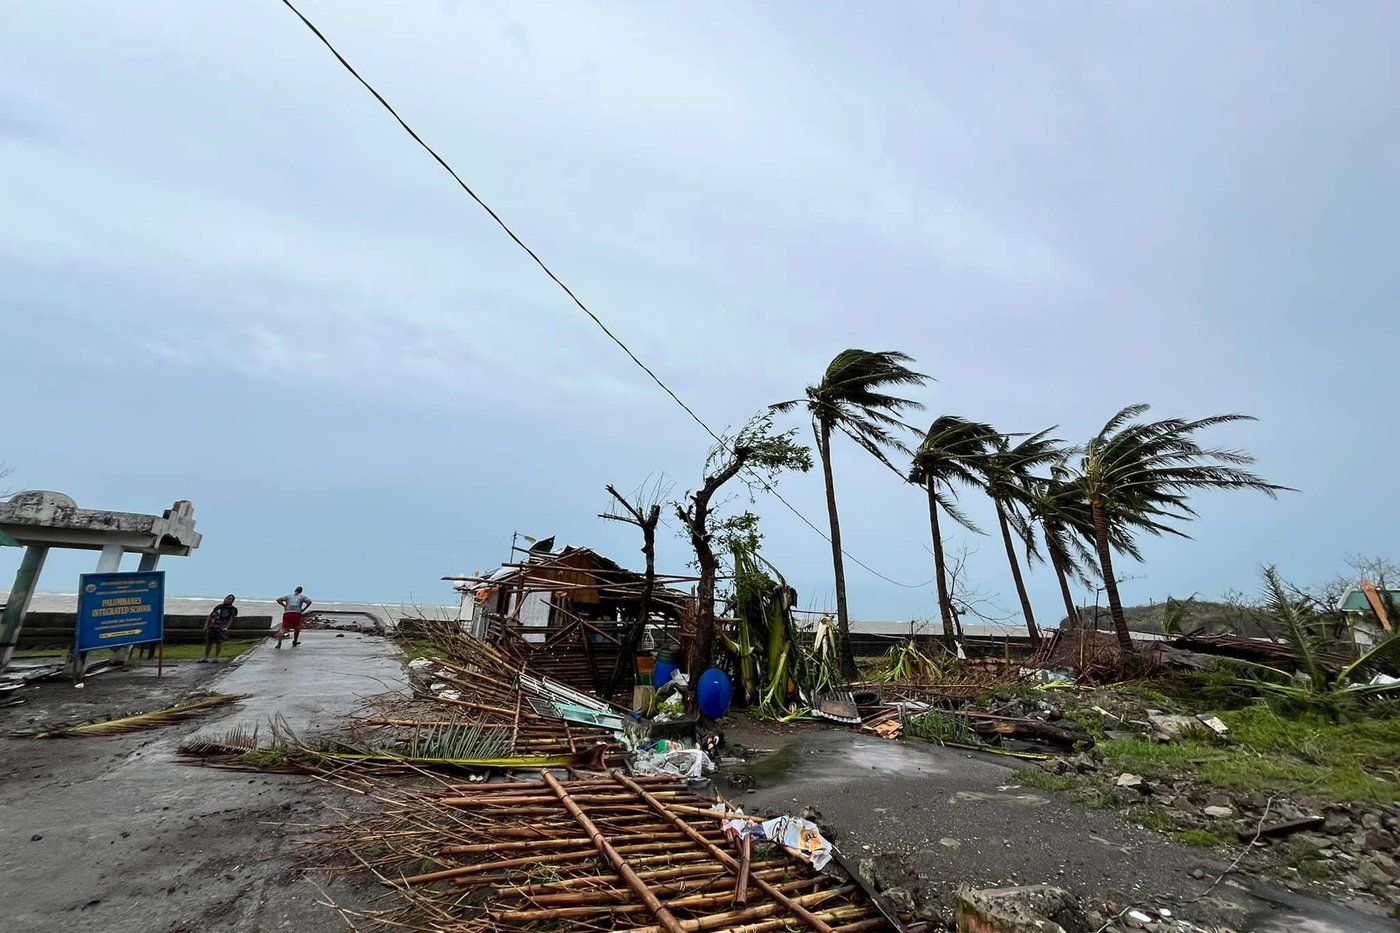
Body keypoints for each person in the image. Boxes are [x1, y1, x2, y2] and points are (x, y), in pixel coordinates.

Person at [202, 595, 238, 663]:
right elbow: (210, 615)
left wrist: (226, 627)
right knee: (209, 642)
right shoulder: (219, 606)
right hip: (212, 626)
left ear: (232, 601)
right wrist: (206, 625)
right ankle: (206, 657)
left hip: (221, 627)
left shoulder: (232, 609)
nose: (228, 600)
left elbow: (231, 619)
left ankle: (216, 657)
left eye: (230, 599)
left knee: (219, 642)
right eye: (227, 598)